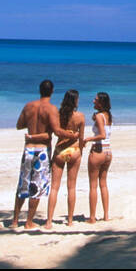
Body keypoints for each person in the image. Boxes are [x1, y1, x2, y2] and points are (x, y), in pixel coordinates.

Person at [11, 80, 61, 231]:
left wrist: (32, 129)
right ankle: (28, 222)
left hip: (28, 149)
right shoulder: (52, 109)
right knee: (36, 186)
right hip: (42, 151)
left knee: (23, 185)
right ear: (52, 91)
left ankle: (14, 221)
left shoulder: (28, 106)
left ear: (39, 90)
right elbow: (55, 131)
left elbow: (19, 125)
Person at [44, 89, 86, 228]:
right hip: (73, 150)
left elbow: (56, 133)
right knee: (71, 187)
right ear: (75, 101)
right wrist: (80, 152)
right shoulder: (80, 116)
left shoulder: (58, 115)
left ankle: (49, 221)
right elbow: (81, 139)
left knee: (54, 188)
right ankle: (69, 221)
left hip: (61, 150)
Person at [81, 92, 113, 223]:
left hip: (98, 150)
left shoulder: (100, 116)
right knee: (103, 184)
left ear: (100, 102)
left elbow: (102, 135)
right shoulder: (107, 116)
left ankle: (92, 217)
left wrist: (88, 139)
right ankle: (106, 215)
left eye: (96, 100)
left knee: (93, 186)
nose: (93, 101)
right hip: (108, 152)